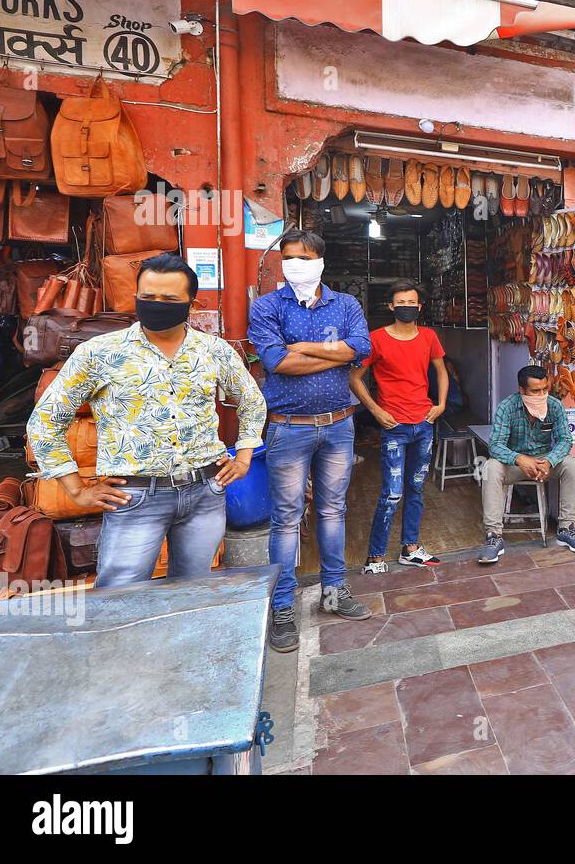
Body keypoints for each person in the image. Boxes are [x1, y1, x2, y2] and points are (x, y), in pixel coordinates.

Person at [29, 254, 266, 588]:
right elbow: (45, 421)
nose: (156, 305)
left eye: (169, 300)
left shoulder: (214, 351)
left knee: (192, 590)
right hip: (136, 496)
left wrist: (244, 456)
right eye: (148, 297)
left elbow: (251, 401)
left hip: (205, 492)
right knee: (119, 596)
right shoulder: (100, 352)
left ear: (192, 305)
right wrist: (75, 490)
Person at [248, 229, 373, 653]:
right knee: (286, 518)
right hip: (288, 427)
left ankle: (334, 593)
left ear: (320, 260)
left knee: (333, 511)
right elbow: (275, 361)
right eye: (288, 257)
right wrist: (328, 351)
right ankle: (283, 607)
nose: (295, 264)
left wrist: (301, 346)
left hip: (339, 425)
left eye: (303, 257)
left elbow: (360, 349)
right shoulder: (266, 306)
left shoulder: (347, 304)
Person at [349, 281, 447, 572]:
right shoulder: (376, 338)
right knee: (392, 493)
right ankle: (375, 557)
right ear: (391, 307)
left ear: (420, 307)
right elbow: (355, 378)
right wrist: (376, 411)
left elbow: (441, 371)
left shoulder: (429, 336)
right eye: (400, 303)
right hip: (394, 426)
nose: (407, 307)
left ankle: (410, 549)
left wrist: (440, 405)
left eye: (412, 302)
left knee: (416, 489)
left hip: (424, 424)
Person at [480, 365, 575, 564]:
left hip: (544, 462)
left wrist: (549, 461)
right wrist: (520, 459)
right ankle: (494, 536)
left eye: (545, 389)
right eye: (535, 391)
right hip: (515, 464)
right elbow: (495, 445)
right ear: (522, 390)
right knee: (490, 467)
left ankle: (566, 528)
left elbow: (565, 440)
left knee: (571, 464)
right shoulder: (507, 407)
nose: (542, 395)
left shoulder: (554, 406)